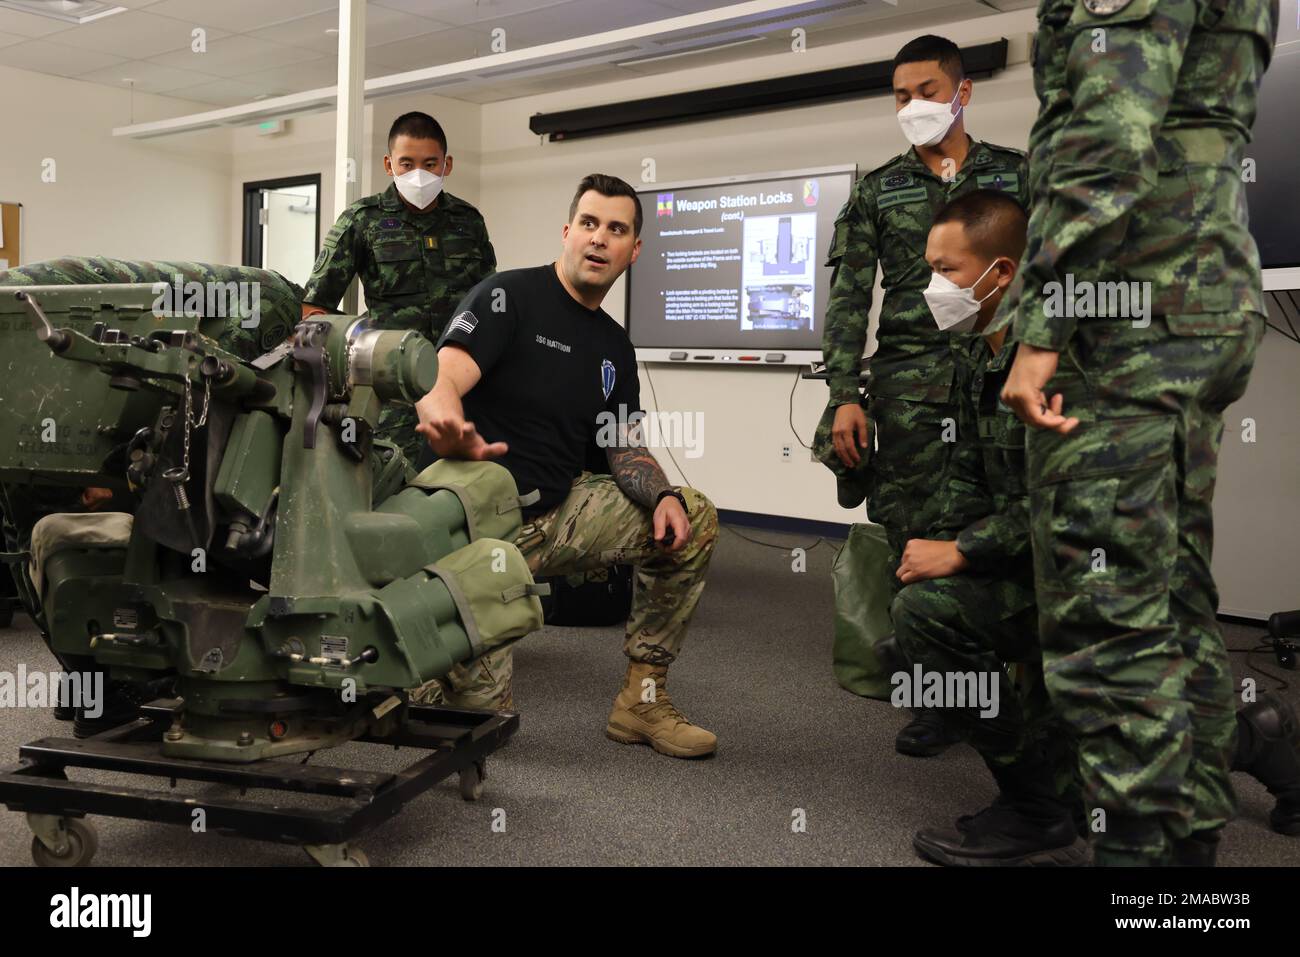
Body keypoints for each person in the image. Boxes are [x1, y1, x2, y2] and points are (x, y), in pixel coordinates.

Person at [998, 0, 1280, 865]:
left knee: (1108, 625)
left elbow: (1111, 134)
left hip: (1127, 312)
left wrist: (1044, 322)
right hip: (1191, 299)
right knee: (1174, 603)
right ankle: (1188, 874)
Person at [412, 173, 719, 759]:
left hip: (558, 514)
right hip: (476, 529)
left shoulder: (614, 346)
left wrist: (663, 497)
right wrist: (449, 426)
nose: (599, 239)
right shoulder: (507, 297)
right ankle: (426, 667)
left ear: (634, 250)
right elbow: (442, 377)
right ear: (567, 231)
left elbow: (623, 443)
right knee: (474, 724)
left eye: (616, 229)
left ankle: (642, 702)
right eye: (588, 223)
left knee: (693, 517)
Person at [818, 34, 1028, 756]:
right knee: (913, 534)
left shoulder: (1016, 176)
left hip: (1001, 377)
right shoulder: (879, 188)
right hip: (908, 386)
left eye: (927, 92)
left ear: (962, 93)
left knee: (998, 521)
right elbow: (849, 297)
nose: (913, 106)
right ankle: (938, 700)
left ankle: (1012, 691)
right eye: (901, 95)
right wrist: (845, 391)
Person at [893, 191, 1085, 866]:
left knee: (1143, 739)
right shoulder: (983, 347)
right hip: (1035, 564)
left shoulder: (1060, 361)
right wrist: (925, 544)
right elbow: (972, 475)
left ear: (1000, 272)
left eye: (947, 271)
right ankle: (1047, 792)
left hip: (1095, 577)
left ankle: (1037, 809)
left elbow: (1071, 502)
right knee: (919, 604)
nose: (933, 288)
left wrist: (965, 550)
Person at [302, 111, 495, 465]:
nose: (418, 174)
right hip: (393, 395)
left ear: (447, 165)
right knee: (393, 484)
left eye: (429, 163)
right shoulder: (362, 220)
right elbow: (314, 308)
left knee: (462, 485)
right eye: (406, 164)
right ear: (389, 164)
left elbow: (488, 305)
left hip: (460, 387)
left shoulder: (468, 222)